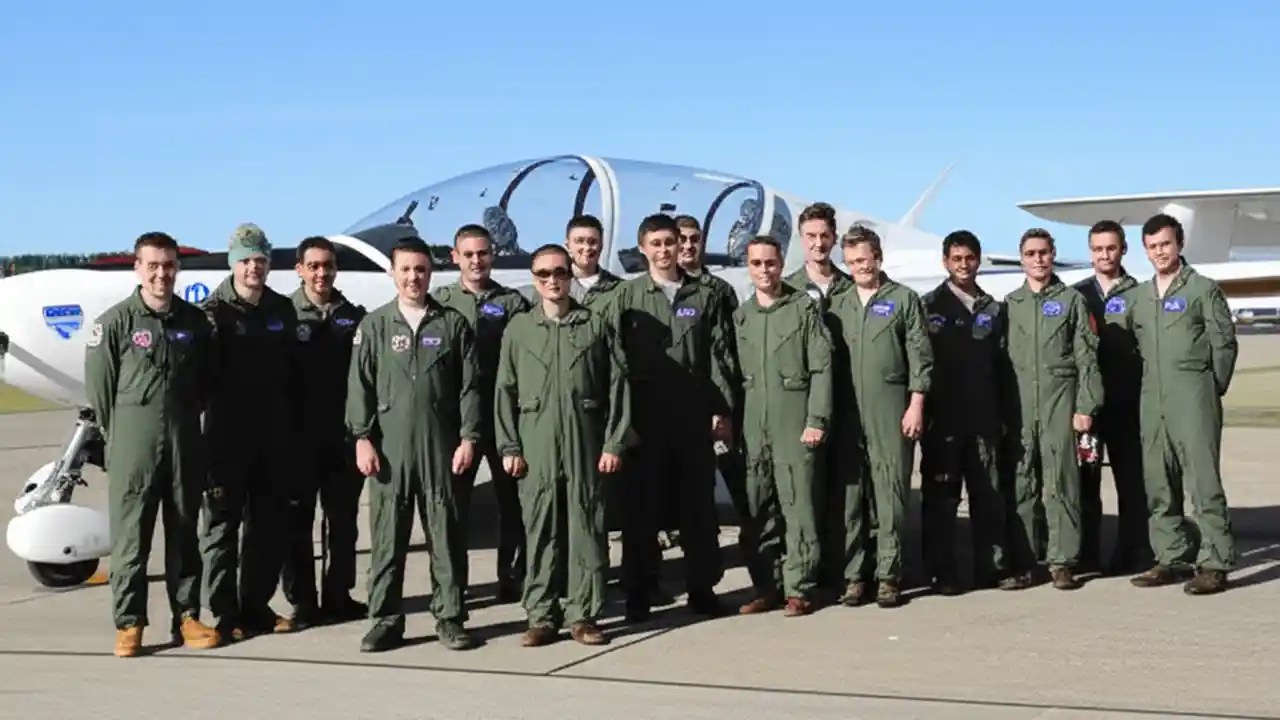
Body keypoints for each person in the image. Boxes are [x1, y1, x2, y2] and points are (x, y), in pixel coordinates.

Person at [84, 231, 222, 657]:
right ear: (138, 268)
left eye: (169, 265)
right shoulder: (115, 323)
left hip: (183, 442)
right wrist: (124, 436)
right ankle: (129, 623)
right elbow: (101, 390)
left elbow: (206, 383)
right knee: (131, 537)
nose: (162, 274)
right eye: (153, 265)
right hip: (133, 445)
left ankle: (187, 616)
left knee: (184, 531)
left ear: (177, 268)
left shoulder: (195, 323)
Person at [346, 237, 481, 651]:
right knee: (388, 537)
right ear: (393, 273)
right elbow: (359, 386)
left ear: (430, 273)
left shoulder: (453, 324)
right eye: (405, 269)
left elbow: (470, 387)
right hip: (391, 450)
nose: (413, 277)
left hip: (440, 447)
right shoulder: (375, 326)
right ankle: (386, 618)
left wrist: (468, 437)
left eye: (420, 269)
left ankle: (450, 616)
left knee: (446, 535)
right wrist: (362, 438)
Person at [494, 243, 631, 647]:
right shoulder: (519, 329)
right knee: (540, 530)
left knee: (587, 528)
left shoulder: (594, 325)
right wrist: (509, 446)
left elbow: (617, 387)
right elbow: (504, 390)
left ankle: (583, 615)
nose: (552, 281)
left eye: (559, 272)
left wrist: (614, 443)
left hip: (584, 441)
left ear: (570, 276)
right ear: (534, 279)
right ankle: (541, 615)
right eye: (543, 274)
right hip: (536, 442)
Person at [610, 212, 735, 621]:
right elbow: (615, 361)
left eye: (670, 242)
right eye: (656, 244)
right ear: (642, 248)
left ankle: (702, 588)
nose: (665, 250)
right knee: (641, 509)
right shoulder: (626, 297)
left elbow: (718, 356)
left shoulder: (704, 295)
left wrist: (721, 410)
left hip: (692, 418)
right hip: (645, 421)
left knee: (698, 508)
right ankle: (639, 592)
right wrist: (620, 423)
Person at [1128, 213, 1238, 595]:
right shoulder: (1139, 298)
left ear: (1179, 245)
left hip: (1193, 395)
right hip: (1152, 398)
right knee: (1159, 481)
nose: (1160, 252)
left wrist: (1209, 386)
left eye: (1166, 244)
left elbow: (1224, 343)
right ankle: (1172, 555)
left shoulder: (1202, 289)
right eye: (1153, 246)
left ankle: (1215, 562)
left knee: (1203, 482)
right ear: (1145, 250)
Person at [199, 223, 299, 639]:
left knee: (268, 525)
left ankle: (256, 607)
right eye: (245, 261)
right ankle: (224, 614)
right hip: (227, 439)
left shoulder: (281, 310)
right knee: (222, 528)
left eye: (259, 260)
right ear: (233, 264)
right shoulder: (212, 313)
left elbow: (293, 373)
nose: (253, 267)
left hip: (272, 437)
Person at [829, 224, 933, 607]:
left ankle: (889, 575)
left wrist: (916, 404)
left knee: (890, 493)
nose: (860, 267)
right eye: (853, 261)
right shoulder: (837, 304)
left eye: (865, 259)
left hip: (890, 408)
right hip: (847, 412)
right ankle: (855, 575)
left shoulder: (904, 300)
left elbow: (920, 356)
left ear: (878, 258)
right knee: (851, 497)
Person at [432, 224, 532, 602]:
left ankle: (513, 576)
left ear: (493, 255)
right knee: (453, 505)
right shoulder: (440, 303)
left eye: (483, 253)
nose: (477, 261)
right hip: (458, 421)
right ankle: (454, 583)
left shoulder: (511, 303)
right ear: (455, 257)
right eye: (469, 254)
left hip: (503, 417)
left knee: (512, 502)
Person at [733, 235, 833, 616]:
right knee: (757, 509)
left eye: (771, 263)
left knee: (798, 507)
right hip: (754, 426)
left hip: (793, 421)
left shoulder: (802, 308)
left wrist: (816, 419)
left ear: (780, 264)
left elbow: (822, 368)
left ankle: (800, 588)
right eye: (756, 264)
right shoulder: (743, 316)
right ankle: (766, 586)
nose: (764, 271)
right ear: (749, 266)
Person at [1001, 228, 1102, 591]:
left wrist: (1086, 405)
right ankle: (1028, 562)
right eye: (1031, 254)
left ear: (1053, 254)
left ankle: (1062, 561)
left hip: (1060, 401)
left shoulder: (1072, 301)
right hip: (1021, 406)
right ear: (1021, 259)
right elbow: (1000, 362)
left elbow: (1087, 357)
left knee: (1062, 482)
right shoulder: (1010, 305)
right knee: (1022, 483)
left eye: (1043, 252)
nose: (1038, 259)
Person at [919, 230, 1016, 594]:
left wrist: (1005, 416)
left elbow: (1005, 367)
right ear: (945, 261)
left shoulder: (993, 310)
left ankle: (991, 567)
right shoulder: (928, 307)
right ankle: (941, 571)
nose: (963, 265)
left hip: (984, 418)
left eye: (969, 258)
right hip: (943, 420)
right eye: (956, 258)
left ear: (979, 260)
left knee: (988, 495)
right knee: (942, 498)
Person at [280, 236, 369, 627]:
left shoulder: (354, 316)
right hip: (297, 439)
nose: (321, 273)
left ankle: (338, 595)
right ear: (299, 269)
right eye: (313, 266)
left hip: (342, 436)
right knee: (296, 523)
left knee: (343, 523)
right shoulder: (283, 315)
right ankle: (302, 601)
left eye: (328, 265)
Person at [673, 214, 762, 600]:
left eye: (694, 239)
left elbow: (726, 354)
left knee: (738, 489)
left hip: (720, 408)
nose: (687, 246)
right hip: (680, 412)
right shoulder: (663, 291)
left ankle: (758, 569)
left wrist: (723, 408)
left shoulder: (719, 291)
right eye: (681, 239)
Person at [781, 202, 867, 605]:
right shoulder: (787, 291)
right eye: (811, 236)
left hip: (849, 403)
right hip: (804, 407)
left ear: (834, 238)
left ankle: (851, 573)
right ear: (801, 239)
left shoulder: (853, 287)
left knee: (849, 493)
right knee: (805, 495)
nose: (818, 243)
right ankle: (805, 574)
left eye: (824, 236)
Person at [1070, 221, 1153, 575]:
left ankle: (1133, 550)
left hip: (1127, 404)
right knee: (1085, 479)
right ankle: (1086, 553)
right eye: (1098, 249)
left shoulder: (1141, 293)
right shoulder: (1076, 295)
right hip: (1088, 407)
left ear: (1123, 250)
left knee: (1132, 481)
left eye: (1111, 248)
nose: (1105, 255)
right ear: (1090, 252)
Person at [565, 214, 624, 310]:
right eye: (580, 241)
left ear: (601, 246)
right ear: (568, 246)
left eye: (592, 242)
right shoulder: (553, 286)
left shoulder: (619, 288)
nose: (587, 247)